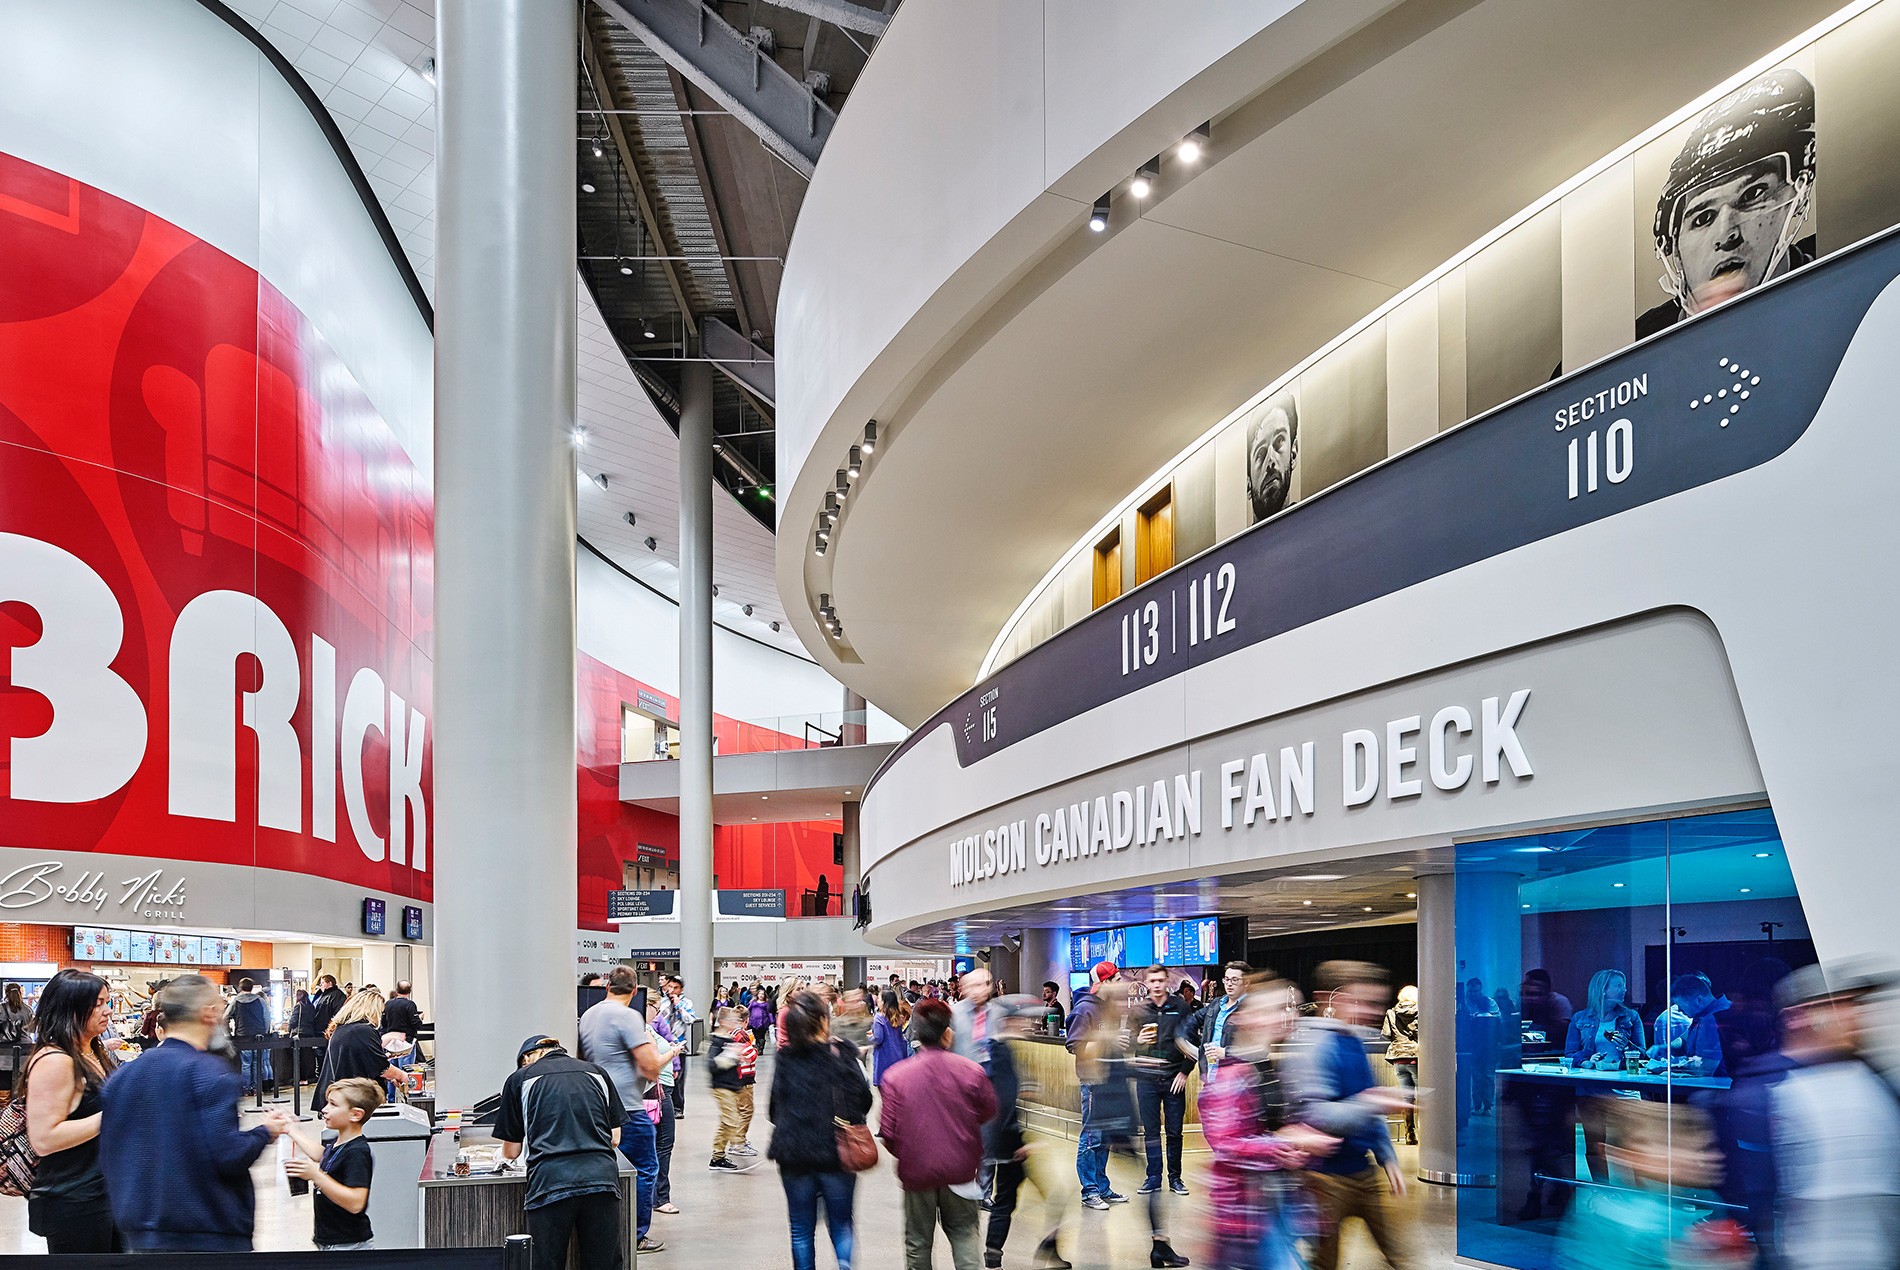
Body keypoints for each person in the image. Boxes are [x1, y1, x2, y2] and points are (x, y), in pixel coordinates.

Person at [99, 974, 288, 1251]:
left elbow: (109, 1154)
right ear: (209, 1013)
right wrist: (265, 1132)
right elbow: (229, 1155)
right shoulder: (210, 1074)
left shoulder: (123, 1076)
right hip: (207, 1233)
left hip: (140, 1232)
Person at [1638, 67, 1817, 338]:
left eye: (1752, 195)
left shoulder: (1845, 279)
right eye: (1702, 218)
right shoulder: (1645, 342)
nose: (1727, 233)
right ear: (1672, 248)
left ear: (1798, 194)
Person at [1769, 963, 1900, 1270]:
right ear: (1797, 1017)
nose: (1852, 1016)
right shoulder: (1772, 1092)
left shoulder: (1878, 1084)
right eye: (1837, 1005)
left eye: (1854, 1004)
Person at [1202, 980, 1338, 1270]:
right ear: (1245, 1019)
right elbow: (1226, 1144)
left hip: (1274, 1204)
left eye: (1287, 1009)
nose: (1283, 1017)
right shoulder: (1231, 1077)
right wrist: (1285, 1143)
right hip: (1249, 1211)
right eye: (1273, 1010)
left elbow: (1270, 1130)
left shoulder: (1270, 1067)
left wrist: (1295, 1141)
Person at [1290, 961, 1413, 1270]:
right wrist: (1372, 1101)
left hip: (1363, 1172)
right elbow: (1317, 1115)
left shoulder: (1353, 1042)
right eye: (1364, 1002)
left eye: (1376, 1003)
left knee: (1396, 1254)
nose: (1372, 1012)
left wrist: (1387, 1158)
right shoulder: (1314, 1045)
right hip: (1325, 1179)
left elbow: (1370, 1106)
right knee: (1325, 1261)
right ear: (1332, 999)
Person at [880, 998, 998, 1270]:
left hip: (916, 1171)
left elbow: (888, 1132)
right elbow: (988, 1111)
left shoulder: (895, 1077)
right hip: (961, 1170)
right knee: (965, 1233)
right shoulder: (971, 1071)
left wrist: (912, 1153)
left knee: (918, 1242)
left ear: (918, 1035)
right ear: (947, 1033)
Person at [497, 1034, 628, 1270]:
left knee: (547, 1262)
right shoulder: (597, 1073)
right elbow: (615, 1138)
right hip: (601, 1180)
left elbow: (511, 1151)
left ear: (527, 1058)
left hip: (550, 1182)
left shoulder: (520, 1079)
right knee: (603, 1263)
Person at [769, 990, 873, 1270]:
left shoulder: (785, 1059)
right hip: (836, 1154)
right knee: (841, 1225)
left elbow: (773, 1110)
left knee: (801, 1229)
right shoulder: (842, 1054)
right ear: (823, 1021)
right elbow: (864, 1100)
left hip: (793, 1154)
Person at [22, 969, 119, 1252]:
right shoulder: (56, 1061)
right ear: (71, 1007)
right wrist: (113, 1116)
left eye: (107, 1002)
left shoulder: (91, 1051)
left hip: (100, 1193)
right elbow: (44, 1139)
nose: (107, 1011)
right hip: (74, 1200)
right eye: (99, 1003)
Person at [577, 965, 665, 1254]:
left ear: (607, 987)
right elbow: (651, 1068)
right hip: (627, 1108)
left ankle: (607, 1232)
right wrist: (653, 1045)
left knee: (608, 1171)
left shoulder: (589, 1015)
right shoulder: (629, 1016)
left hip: (596, 1106)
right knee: (645, 1169)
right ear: (635, 990)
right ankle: (636, 1235)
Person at [983, 998, 1071, 1270]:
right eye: (1023, 1020)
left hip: (1005, 1142)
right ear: (1010, 1022)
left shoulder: (1000, 1051)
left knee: (1006, 1198)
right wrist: (1018, 1145)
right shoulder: (1001, 1054)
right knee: (1054, 1193)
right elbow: (1005, 1103)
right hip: (1009, 1143)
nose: (1028, 1024)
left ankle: (995, 1253)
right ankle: (1045, 1247)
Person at [282, 1076, 383, 1251]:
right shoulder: (340, 1143)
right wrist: (291, 1129)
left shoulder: (357, 1152)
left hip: (349, 1246)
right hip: (330, 1241)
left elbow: (356, 1202)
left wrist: (316, 1176)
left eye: (333, 1105)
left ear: (355, 1114)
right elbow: (321, 1155)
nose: (324, 1110)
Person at [1066, 960, 1131, 1211]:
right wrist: (1107, 1040)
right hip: (1092, 1080)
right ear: (1104, 983)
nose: (1121, 984)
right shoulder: (1085, 1009)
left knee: (1104, 1137)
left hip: (1109, 1080)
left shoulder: (1108, 1009)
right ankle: (1089, 1191)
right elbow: (1076, 1047)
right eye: (1116, 980)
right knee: (1091, 1137)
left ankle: (1102, 1187)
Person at [1131, 964, 1196, 1199]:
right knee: (1150, 1132)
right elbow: (1128, 1042)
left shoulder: (1180, 1007)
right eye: (1152, 981)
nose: (1157, 985)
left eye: (1161, 980)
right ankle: (1153, 1177)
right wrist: (1137, 1039)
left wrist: (1185, 1071)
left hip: (1173, 1079)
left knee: (1174, 1131)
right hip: (1146, 1078)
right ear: (1146, 983)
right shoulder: (1139, 1010)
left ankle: (1175, 1178)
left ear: (1167, 981)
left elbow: (1192, 1041)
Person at [315, 987, 403, 1109]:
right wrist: (402, 1076)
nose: (381, 1017)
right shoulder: (362, 1030)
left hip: (342, 1092)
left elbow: (361, 1059)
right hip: (351, 1097)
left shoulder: (346, 1028)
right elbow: (380, 1066)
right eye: (380, 1012)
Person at [708, 1006, 760, 1171]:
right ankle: (735, 1145)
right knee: (731, 1120)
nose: (735, 1024)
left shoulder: (730, 1041)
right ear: (722, 1022)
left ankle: (718, 1156)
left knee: (728, 1120)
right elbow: (712, 1065)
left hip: (732, 1086)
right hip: (722, 1087)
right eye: (732, 1020)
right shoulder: (717, 1041)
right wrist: (729, 1057)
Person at [1649, 973, 1730, 1077]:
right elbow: (1684, 1040)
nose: (1678, 1009)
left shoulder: (1714, 1018)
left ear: (1699, 1000)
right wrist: (1665, 1048)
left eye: (1679, 1005)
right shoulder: (1702, 1015)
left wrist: (1671, 1069)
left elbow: (1706, 1068)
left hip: (1723, 1088)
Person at [1189, 962, 1251, 1095]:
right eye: (1226, 979)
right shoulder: (1217, 1004)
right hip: (1210, 1080)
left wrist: (1226, 1053)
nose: (1229, 984)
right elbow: (1191, 1022)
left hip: (1238, 1086)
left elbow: (1259, 1049)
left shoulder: (1252, 1008)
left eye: (1234, 980)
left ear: (1246, 983)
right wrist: (1193, 1048)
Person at [1565, 969, 1645, 1071]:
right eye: (1618, 986)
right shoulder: (1579, 1018)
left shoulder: (1632, 1017)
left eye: (1624, 986)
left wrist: (1627, 1045)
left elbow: (1642, 1054)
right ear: (1603, 990)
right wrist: (1586, 1062)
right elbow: (1570, 1053)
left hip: (1623, 1076)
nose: (1624, 990)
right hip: (1591, 1078)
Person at [647, 997, 683, 1214]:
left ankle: (657, 1196)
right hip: (657, 1091)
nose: (658, 1014)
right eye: (655, 1009)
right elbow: (653, 1062)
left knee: (661, 1145)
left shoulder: (650, 1029)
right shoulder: (644, 1031)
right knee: (662, 1144)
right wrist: (673, 1052)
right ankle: (660, 1197)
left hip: (663, 1088)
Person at [1245, 390, 1299, 522]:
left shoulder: (1312, 525)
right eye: (1261, 453)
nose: (1270, 460)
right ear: (1248, 484)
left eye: (1279, 441)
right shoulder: (1240, 542)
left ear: (1293, 454)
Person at [1381, 985, 1421, 1146]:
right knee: (1425, 1098)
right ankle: (1429, 1134)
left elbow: (1385, 1034)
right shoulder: (1420, 1011)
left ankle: (1409, 1134)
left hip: (1398, 1059)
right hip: (1416, 1057)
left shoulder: (1391, 1013)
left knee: (1407, 1099)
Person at [227, 976, 273, 1096]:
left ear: (240, 987)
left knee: (246, 1064)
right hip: (259, 1037)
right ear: (252, 987)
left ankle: (246, 1089)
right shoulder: (260, 1000)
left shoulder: (236, 1001)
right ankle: (256, 1088)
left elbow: (224, 1017)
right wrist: (266, 1032)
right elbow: (267, 1018)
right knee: (257, 1063)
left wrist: (228, 1033)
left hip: (243, 1037)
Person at [660, 976, 696, 1118]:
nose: (672, 990)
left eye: (676, 988)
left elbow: (690, 1019)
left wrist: (679, 1006)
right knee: (664, 1077)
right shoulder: (661, 1002)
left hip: (680, 1046)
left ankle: (678, 1108)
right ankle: (663, 1106)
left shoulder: (686, 1003)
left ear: (681, 989)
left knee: (679, 1080)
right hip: (664, 1046)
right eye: (670, 987)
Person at [0, 982, 34, 1097]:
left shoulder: (1, 1008)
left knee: (3, 1084)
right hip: (25, 1051)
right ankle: (18, 1110)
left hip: (4, 1052)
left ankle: (4, 1111)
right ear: (20, 992)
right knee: (22, 1085)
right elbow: (32, 1030)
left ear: (6, 993)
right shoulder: (28, 1009)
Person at [874, 989, 913, 1086]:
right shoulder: (898, 1017)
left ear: (884, 1002)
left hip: (883, 1058)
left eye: (879, 998)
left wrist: (868, 1039)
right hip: (898, 1056)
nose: (877, 1000)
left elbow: (878, 1039)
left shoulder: (879, 1018)